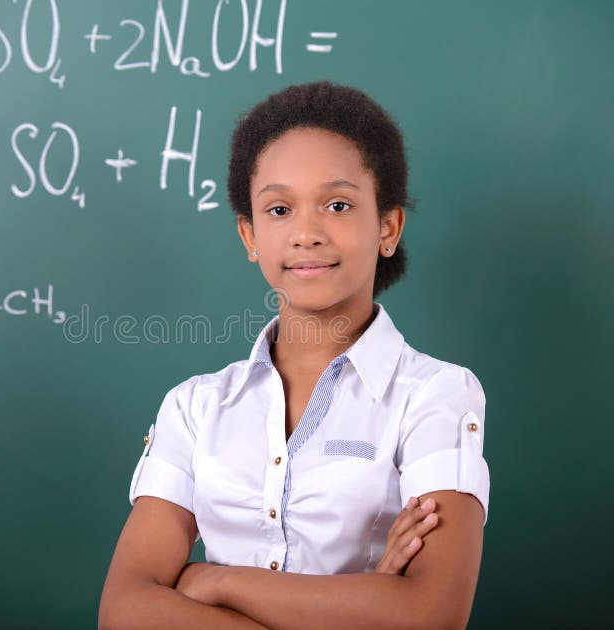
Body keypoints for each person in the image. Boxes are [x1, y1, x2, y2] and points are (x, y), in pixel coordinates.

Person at [99, 81, 489, 629]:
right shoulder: (193, 409)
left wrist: (211, 580)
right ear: (249, 235)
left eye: (337, 204)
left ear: (388, 227)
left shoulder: (434, 397)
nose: (306, 233)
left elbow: (430, 614)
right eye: (279, 208)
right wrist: (364, 604)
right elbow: (124, 610)